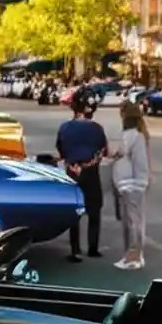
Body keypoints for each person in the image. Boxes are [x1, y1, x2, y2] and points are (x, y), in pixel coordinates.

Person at [55, 86, 108, 263]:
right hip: (91, 171)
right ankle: (93, 247)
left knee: (74, 211)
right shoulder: (97, 129)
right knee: (94, 211)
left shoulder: (65, 127)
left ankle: (75, 249)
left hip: (71, 171)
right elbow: (103, 150)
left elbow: (61, 149)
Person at [112, 102, 152, 270]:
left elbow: (120, 152)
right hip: (137, 183)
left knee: (132, 222)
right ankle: (135, 256)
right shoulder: (141, 134)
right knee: (136, 220)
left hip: (131, 183)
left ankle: (132, 258)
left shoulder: (130, 135)